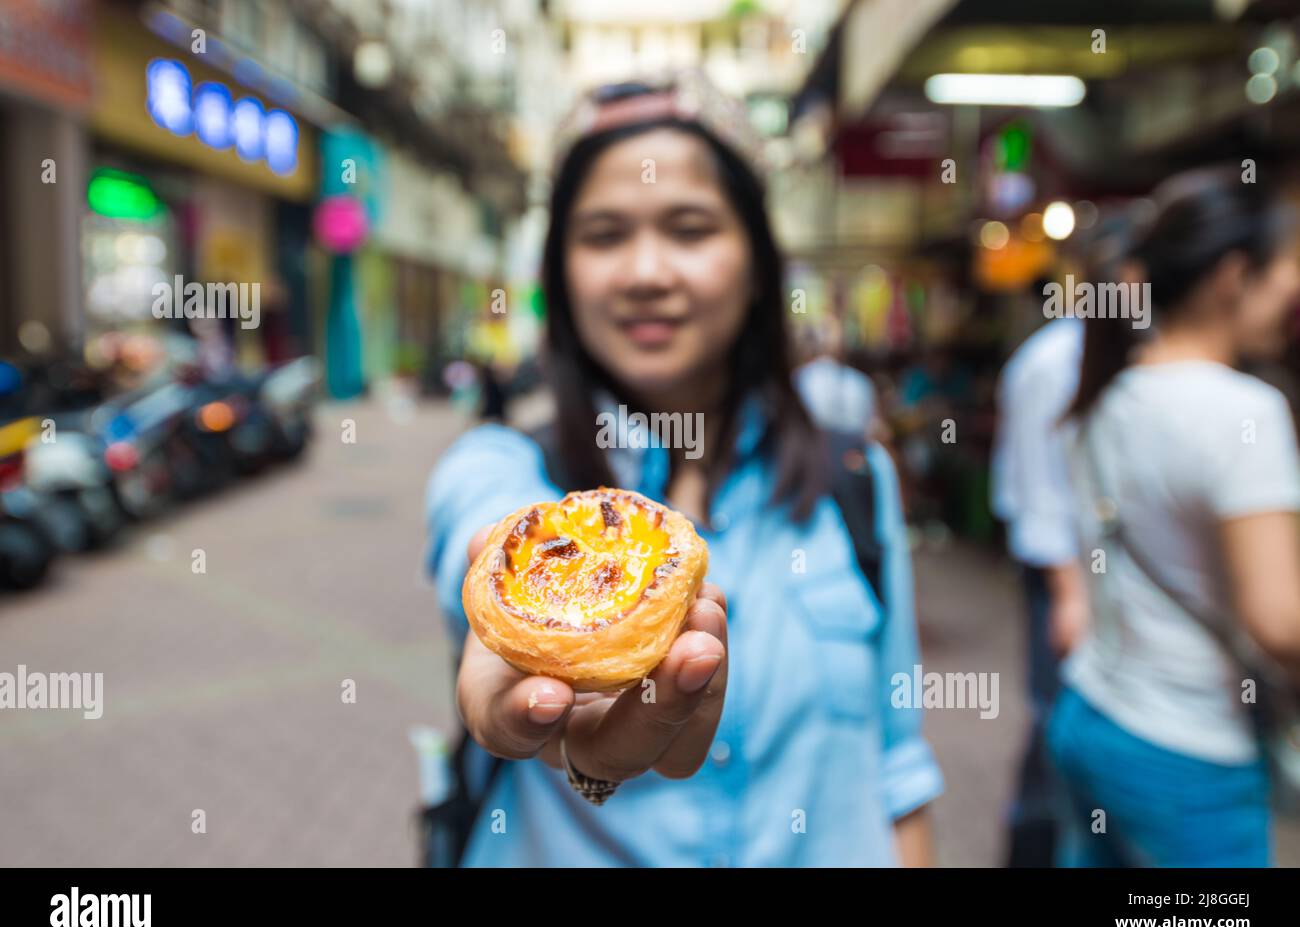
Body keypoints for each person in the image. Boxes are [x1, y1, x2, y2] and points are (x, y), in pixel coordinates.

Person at [424, 73, 943, 867]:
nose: (646, 272)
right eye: (603, 234)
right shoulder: (501, 467)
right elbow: (484, 531)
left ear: (759, 260)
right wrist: (561, 727)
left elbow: (897, 768)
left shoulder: (854, 476)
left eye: (691, 227)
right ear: (559, 273)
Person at [1048, 167, 1300, 867]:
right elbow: (1279, 623)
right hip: (1189, 747)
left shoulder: (1105, 393)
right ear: (1233, 274)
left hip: (1091, 714)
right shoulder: (1244, 412)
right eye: (1288, 269)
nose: (1293, 291)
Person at [989, 274, 1086, 866]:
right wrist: (1068, 590)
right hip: (1059, 565)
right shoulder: (1056, 359)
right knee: (1054, 714)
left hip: (1073, 565)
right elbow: (1043, 492)